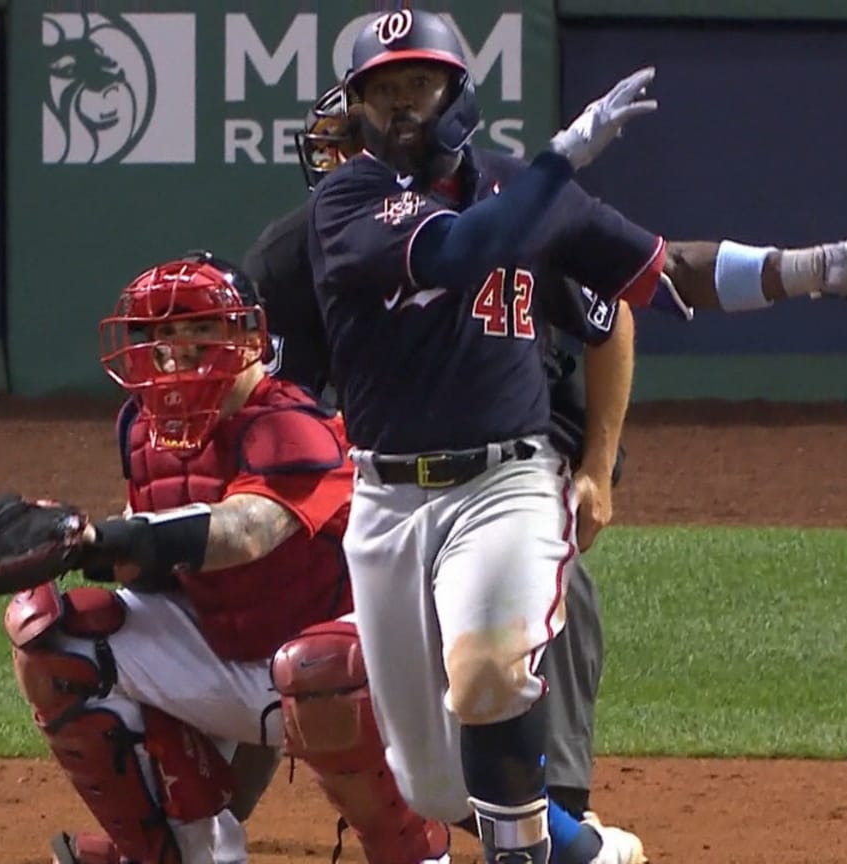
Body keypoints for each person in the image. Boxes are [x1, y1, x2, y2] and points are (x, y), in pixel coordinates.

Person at [307, 9, 847, 864]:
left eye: (418, 82)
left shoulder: (525, 190)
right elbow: (456, 252)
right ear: (358, 106)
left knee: (486, 678)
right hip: (387, 503)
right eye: (382, 89)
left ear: (456, 91)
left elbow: (667, 274)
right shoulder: (346, 201)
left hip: (505, 485)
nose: (400, 105)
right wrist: (564, 161)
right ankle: (578, 852)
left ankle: (528, 855)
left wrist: (820, 267)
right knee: (436, 788)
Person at [241, 79, 631, 828]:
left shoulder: (497, 215)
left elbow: (611, 318)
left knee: (558, 591)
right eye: (347, 146)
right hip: (376, 462)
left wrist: (596, 469)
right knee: (278, 597)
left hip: (522, 437)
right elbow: (281, 406)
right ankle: (209, 818)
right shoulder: (296, 253)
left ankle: (563, 805)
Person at [3, 251, 453, 864]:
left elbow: (244, 533)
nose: (177, 348)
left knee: (320, 668)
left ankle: (414, 852)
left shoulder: (290, 423)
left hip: (358, 668)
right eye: (164, 333)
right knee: (52, 636)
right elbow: (157, 571)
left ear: (245, 340)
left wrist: (107, 541)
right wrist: (64, 548)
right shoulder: (140, 427)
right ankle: (180, 851)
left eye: (198, 329)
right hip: (228, 653)